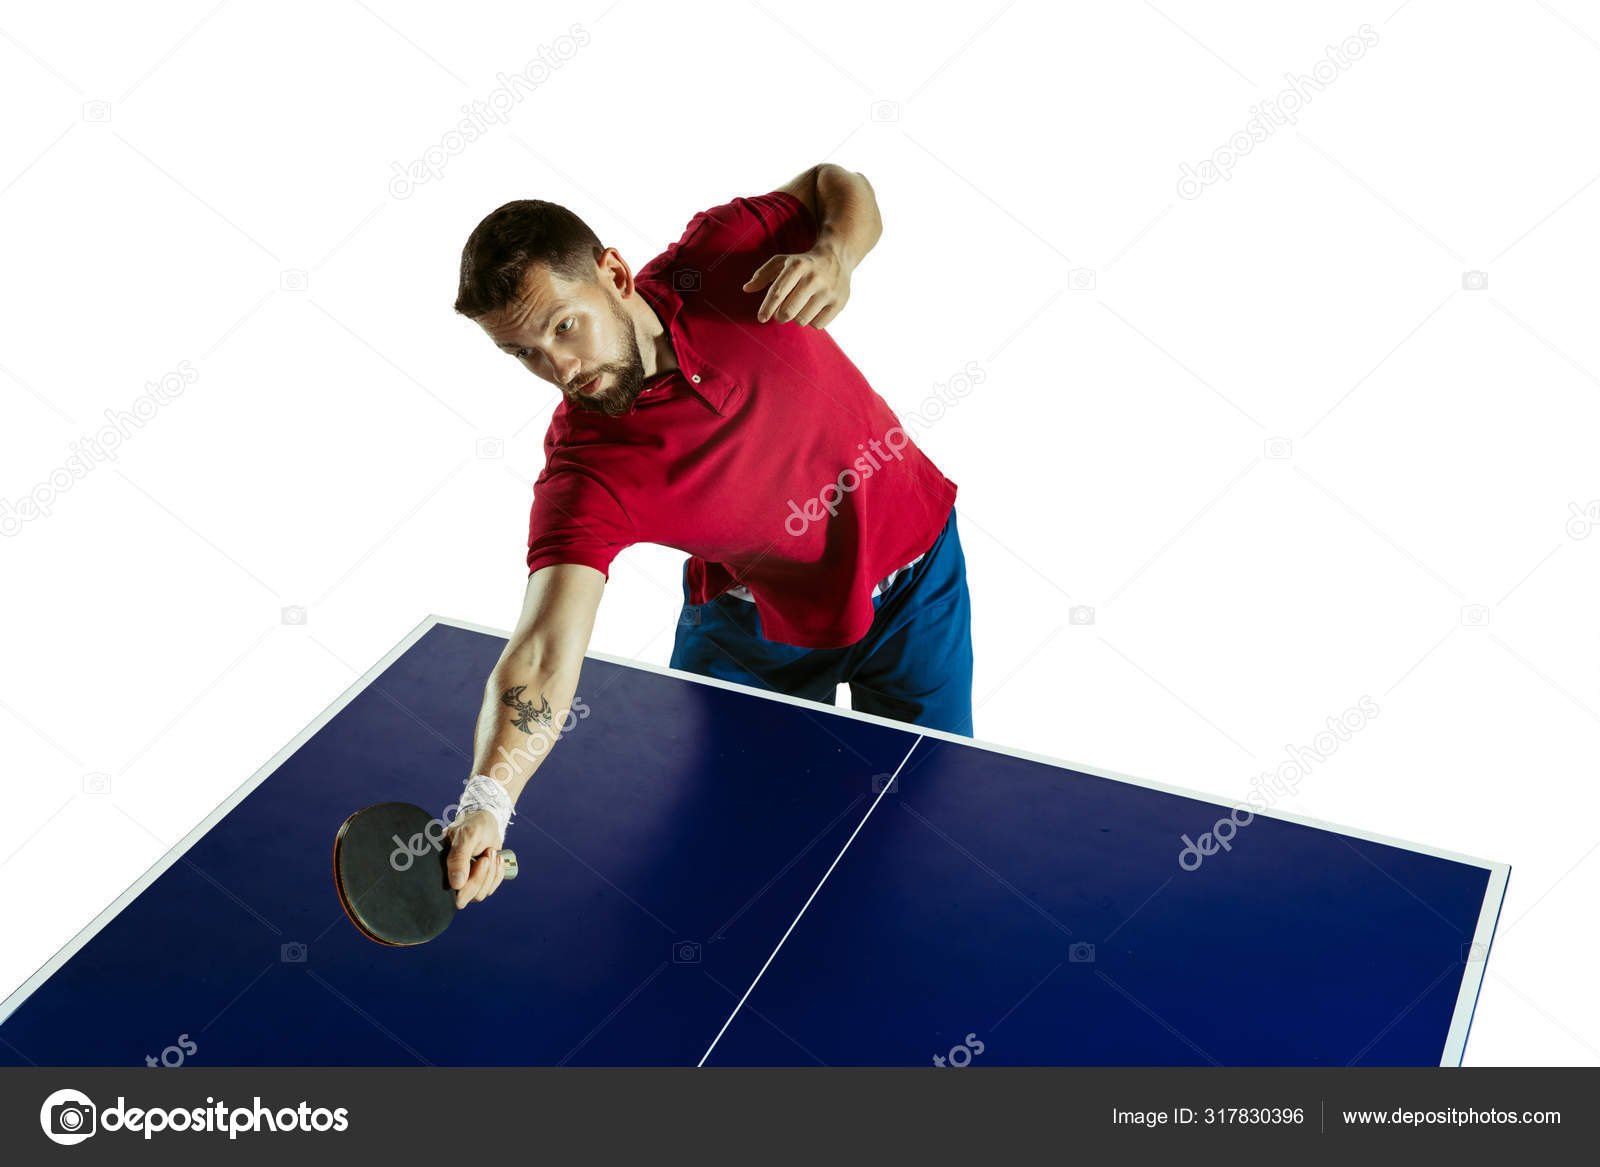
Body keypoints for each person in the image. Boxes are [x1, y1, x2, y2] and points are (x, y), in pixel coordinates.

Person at [441, 163, 972, 909]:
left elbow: (836, 183)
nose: (557, 367)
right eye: (523, 352)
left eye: (564, 326)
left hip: (916, 581)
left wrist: (835, 255)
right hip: (756, 625)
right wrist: (489, 799)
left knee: (930, 821)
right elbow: (542, 652)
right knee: (721, 843)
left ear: (614, 274)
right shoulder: (585, 471)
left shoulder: (722, 259)